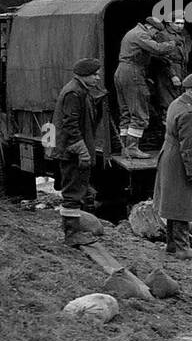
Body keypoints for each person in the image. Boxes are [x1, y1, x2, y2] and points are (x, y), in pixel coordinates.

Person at [54, 58, 118, 246]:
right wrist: (82, 151)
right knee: (73, 193)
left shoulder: (81, 91)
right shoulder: (74, 93)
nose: (98, 78)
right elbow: (70, 126)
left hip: (74, 150)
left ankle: (73, 230)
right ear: (83, 76)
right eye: (94, 75)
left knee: (77, 190)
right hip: (72, 152)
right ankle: (71, 234)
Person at [153, 72, 192, 257]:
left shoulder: (177, 103)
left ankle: (172, 244)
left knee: (172, 201)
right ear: (191, 90)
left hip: (169, 155)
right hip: (180, 160)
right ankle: (182, 246)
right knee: (183, 202)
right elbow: (189, 147)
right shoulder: (188, 113)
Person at [114, 16, 176, 158]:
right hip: (133, 72)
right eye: (155, 33)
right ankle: (132, 148)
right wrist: (172, 44)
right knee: (139, 112)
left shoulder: (133, 33)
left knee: (126, 113)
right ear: (150, 28)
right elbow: (158, 49)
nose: (154, 36)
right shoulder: (140, 34)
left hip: (123, 71)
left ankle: (125, 147)